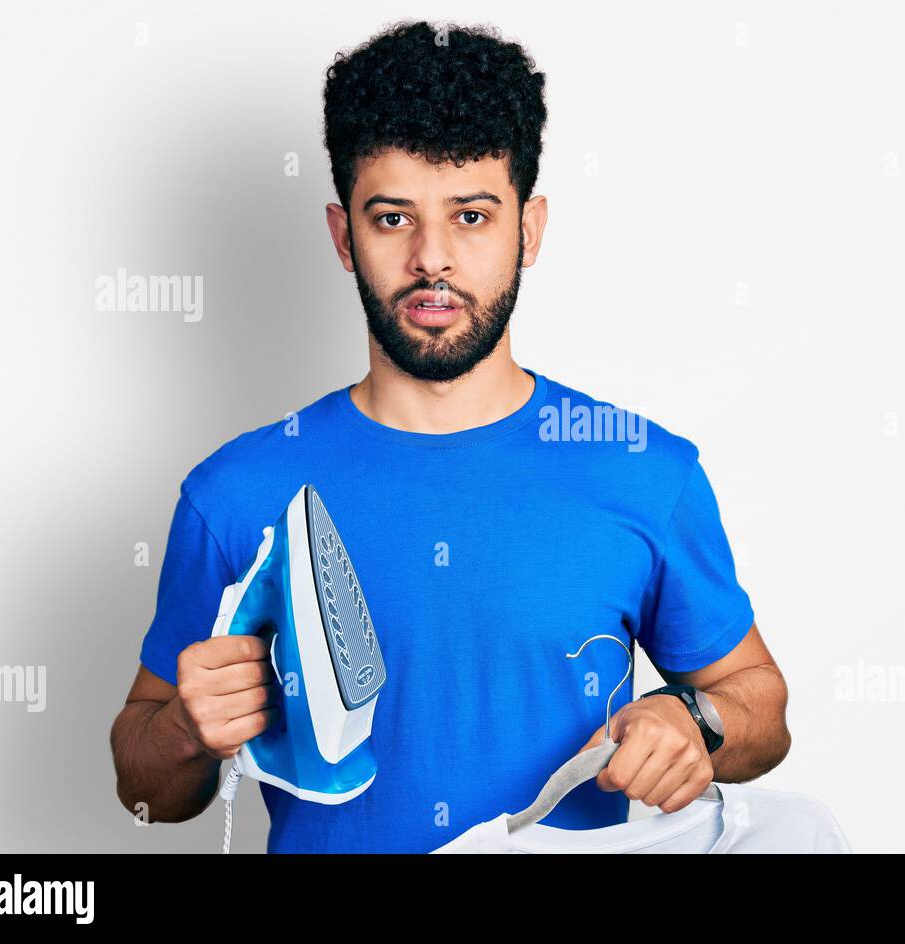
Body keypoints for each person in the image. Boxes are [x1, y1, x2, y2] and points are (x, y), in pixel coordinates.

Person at [109, 19, 792, 853]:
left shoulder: (645, 471)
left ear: (529, 229)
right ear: (342, 236)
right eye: (393, 219)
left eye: (471, 215)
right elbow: (142, 784)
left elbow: (761, 702)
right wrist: (185, 728)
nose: (432, 258)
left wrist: (696, 720)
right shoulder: (235, 491)